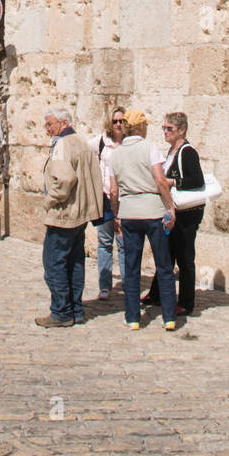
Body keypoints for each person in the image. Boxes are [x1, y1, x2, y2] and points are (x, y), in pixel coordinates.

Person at [108, 109, 177, 331]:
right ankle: (169, 317)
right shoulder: (150, 148)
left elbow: (113, 191)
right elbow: (159, 180)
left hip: (129, 213)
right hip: (153, 211)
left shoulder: (114, 154)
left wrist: (116, 214)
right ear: (141, 127)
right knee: (164, 265)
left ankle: (133, 318)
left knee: (132, 266)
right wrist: (170, 207)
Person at [37, 107, 102, 328]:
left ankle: (61, 312)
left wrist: (49, 201)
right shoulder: (82, 142)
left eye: (50, 124)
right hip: (80, 214)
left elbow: (63, 181)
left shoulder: (63, 145)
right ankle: (76, 308)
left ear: (63, 123)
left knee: (54, 263)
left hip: (64, 213)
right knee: (74, 262)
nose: (47, 129)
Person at [143, 112, 205, 317]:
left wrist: (172, 182)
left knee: (185, 257)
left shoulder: (187, 152)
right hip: (173, 211)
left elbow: (197, 181)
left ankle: (186, 302)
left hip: (187, 214)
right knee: (166, 253)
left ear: (182, 130)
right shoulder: (172, 150)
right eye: (164, 128)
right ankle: (157, 293)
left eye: (169, 128)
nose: (165, 132)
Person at [88, 107, 127, 300]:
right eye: (115, 121)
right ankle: (105, 285)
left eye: (121, 121)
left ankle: (128, 283)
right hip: (105, 197)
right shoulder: (102, 141)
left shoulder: (129, 144)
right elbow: (85, 152)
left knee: (124, 243)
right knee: (104, 243)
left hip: (124, 199)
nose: (118, 124)